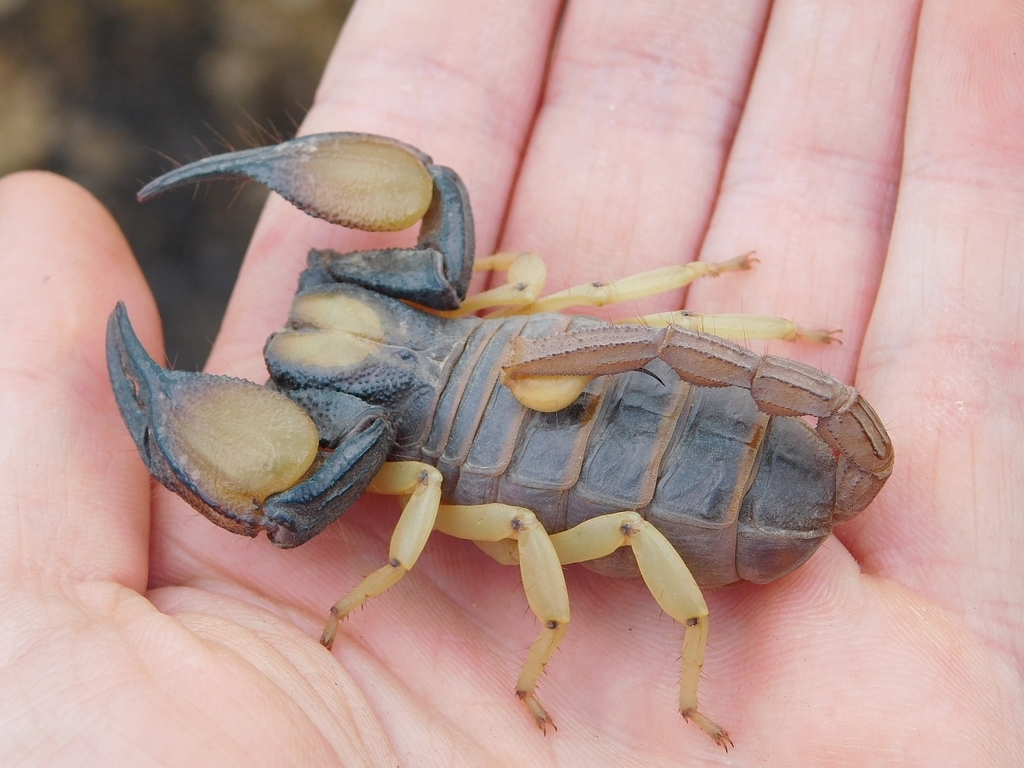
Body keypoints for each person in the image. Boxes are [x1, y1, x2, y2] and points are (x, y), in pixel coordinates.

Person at [1, 1, 1020, 764]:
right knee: (642, 336)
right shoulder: (413, 393)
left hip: (665, 456)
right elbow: (584, 302)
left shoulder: (379, 435)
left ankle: (736, 370)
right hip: (571, 414)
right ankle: (731, 350)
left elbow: (350, 504)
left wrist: (363, 592)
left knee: (645, 341)